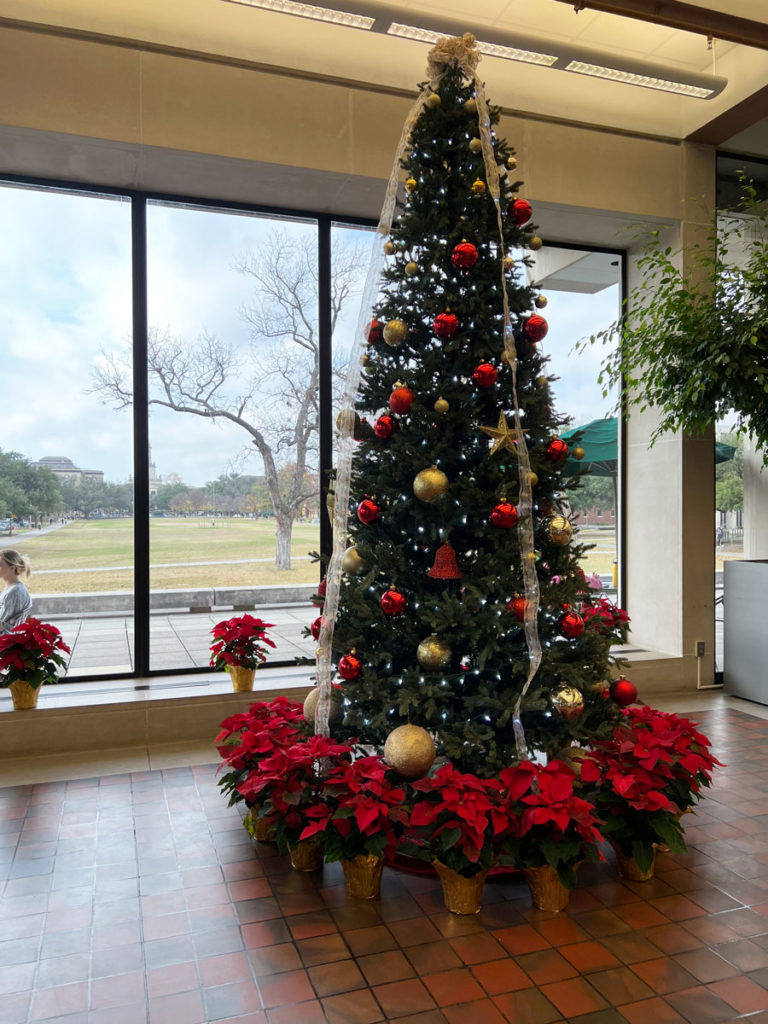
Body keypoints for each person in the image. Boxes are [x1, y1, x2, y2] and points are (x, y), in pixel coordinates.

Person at [0, 549, 32, 634]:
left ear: (12, 568)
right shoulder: (10, 588)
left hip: (6, 643)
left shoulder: (15, 592)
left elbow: (3, 626)